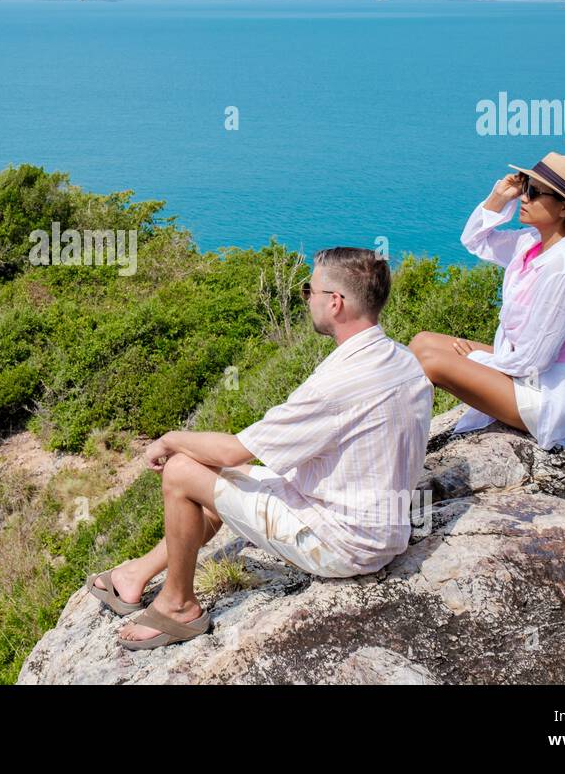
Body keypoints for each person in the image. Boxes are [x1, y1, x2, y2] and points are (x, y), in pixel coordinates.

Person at [86, 247, 434, 650]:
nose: (307, 300)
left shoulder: (337, 383)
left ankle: (178, 607)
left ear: (335, 303)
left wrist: (169, 440)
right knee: (217, 479)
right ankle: (134, 577)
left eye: (310, 291)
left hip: (341, 542)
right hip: (383, 528)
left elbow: (236, 450)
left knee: (182, 470)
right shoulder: (403, 359)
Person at [408, 151, 565, 451]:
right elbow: (475, 241)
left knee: (432, 363)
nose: (525, 197)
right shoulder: (532, 243)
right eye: (526, 187)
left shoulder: (564, 270)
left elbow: (533, 363)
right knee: (421, 343)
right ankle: (397, 435)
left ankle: (396, 447)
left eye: (535, 192)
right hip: (521, 373)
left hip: (544, 396)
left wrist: (474, 359)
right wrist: (500, 196)